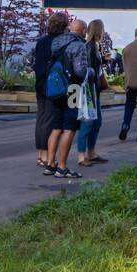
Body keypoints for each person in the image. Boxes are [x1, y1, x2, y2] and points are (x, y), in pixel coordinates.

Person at [43, 17, 92, 178]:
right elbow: (80, 71)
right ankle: (62, 167)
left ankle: (50, 164)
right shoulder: (78, 45)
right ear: (83, 31)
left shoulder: (57, 42)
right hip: (72, 89)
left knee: (56, 127)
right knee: (69, 128)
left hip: (55, 88)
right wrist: (90, 71)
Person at [30, 12, 66, 170]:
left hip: (40, 83)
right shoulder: (60, 43)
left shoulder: (42, 41)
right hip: (53, 85)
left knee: (41, 118)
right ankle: (45, 156)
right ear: (63, 26)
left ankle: (40, 154)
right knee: (50, 120)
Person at [76, 19, 108, 167]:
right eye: (102, 29)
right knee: (88, 123)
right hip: (88, 90)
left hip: (93, 90)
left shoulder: (95, 46)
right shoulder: (89, 47)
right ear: (98, 30)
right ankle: (81, 156)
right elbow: (88, 70)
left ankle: (91, 152)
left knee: (97, 122)